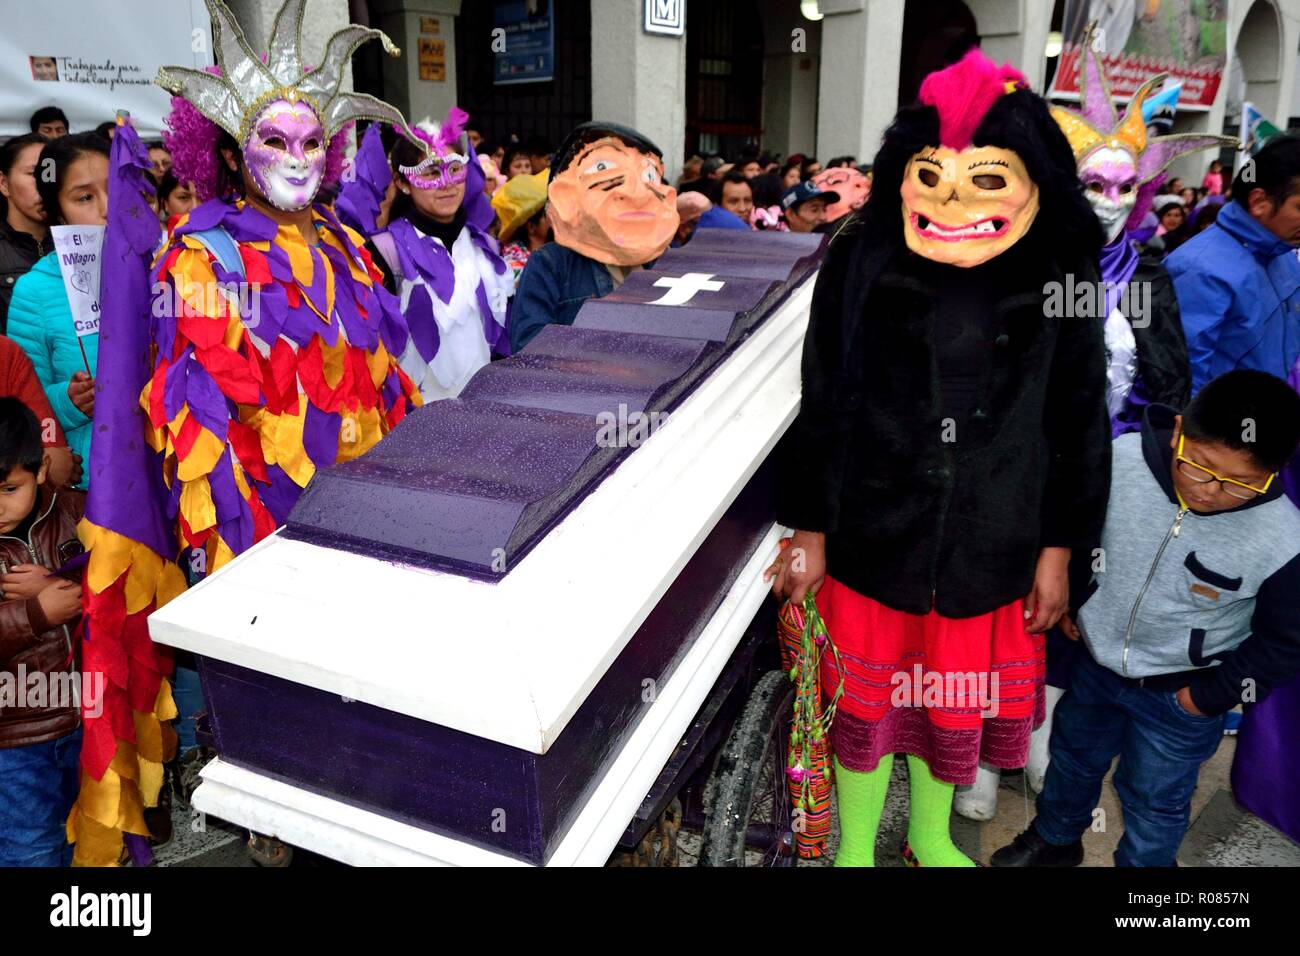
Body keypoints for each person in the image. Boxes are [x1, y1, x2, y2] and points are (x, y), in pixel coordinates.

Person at [68, 0, 422, 866]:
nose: (297, 161)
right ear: (226, 154)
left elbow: (383, 392)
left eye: (311, 143)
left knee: (366, 756)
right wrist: (250, 581)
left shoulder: (347, 245)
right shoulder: (200, 257)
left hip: (363, 539)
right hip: (270, 550)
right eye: (275, 142)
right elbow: (204, 441)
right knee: (287, 774)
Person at [766, 49, 1110, 868]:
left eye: (986, 178)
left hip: (996, 545)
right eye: (932, 173)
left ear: (1034, 182)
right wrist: (808, 528)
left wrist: (1062, 549)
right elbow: (825, 395)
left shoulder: (1066, 269)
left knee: (943, 705)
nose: (953, 198)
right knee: (867, 705)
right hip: (871, 535)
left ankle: (927, 834)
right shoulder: (859, 254)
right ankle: (854, 848)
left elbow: (1079, 419)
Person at [957, 37, 1229, 824]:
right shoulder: (1022, 264)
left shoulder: (1144, 275)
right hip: (1014, 471)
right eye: (1091, 183)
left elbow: (1170, 387)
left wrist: (1157, 475)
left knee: (1080, 607)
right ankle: (978, 746)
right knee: (1002, 604)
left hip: (1111, 477)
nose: (1109, 199)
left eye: (1123, 185)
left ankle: (1034, 737)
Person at [993, 371, 1300, 867]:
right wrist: (1078, 601)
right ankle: (1053, 840)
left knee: (1155, 797)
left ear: (1275, 470)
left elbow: (1284, 643)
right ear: (1178, 431)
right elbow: (1080, 531)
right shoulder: (1121, 461)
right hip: (1096, 667)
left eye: (1240, 483)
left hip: (1184, 694)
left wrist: (1210, 698)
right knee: (1071, 761)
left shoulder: (1285, 541)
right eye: (1198, 466)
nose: (1208, 490)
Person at [366, 108, 513, 400]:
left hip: (485, 416)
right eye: (431, 172)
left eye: (454, 169)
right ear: (402, 182)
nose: (446, 183)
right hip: (414, 426)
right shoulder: (384, 252)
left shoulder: (486, 247)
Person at [0, 397, 86, 866]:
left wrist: (57, 587)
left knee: (82, 834)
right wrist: (36, 614)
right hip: (13, 740)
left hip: (83, 719)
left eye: (9, 489)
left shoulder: (75, 511)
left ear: (38, 471)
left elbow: (123, 588)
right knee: (31, 851)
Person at [508, 121, 678, 352]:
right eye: (603, 170)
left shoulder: (670, 261)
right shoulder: (552, 264)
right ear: (565, 197)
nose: (637, 193)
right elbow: (528, 345)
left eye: (649, 174)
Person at [6, 133, 109, 490]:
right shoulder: (34, 290)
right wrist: (68, 400)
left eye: (117, 189)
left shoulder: (165, 272)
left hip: (169, 475)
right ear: (57, 211)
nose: (107, 207)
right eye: (85, 197)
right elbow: (19, 401)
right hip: (93, 487)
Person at [1167, 135, 1300, 393]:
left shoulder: (1284, 253)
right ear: (1259, 202)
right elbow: (1183, 382)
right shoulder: (1198, 269)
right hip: (1225, 427)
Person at [0, 133, 50, 333]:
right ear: (4, 183)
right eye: (33, 174)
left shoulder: (77, 246)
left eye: (51, 174)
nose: (46, 184)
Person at [493, 169, 550, 288]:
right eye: (547, 214)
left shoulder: (551, 250)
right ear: (531, 227)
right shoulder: (514, 263)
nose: (555, 217)